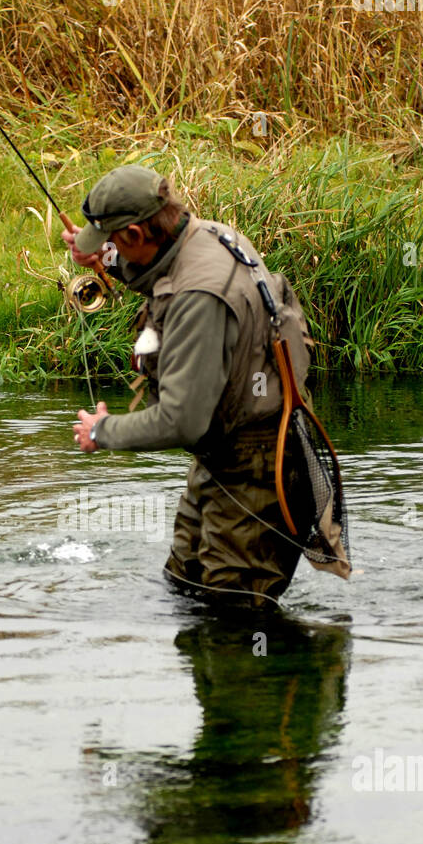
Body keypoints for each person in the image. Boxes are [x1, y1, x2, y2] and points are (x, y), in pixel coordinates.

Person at [64, 164, 315, 608]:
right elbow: (164, 273)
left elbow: (183, 420)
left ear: (138, 233)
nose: (105, 248)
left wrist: (103, 431)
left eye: (112, 241)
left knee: (231, 617)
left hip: (256, 469)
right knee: (184, 589)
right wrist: (108, 262)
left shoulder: (199, 296)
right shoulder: (211, 235)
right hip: (229, 454)